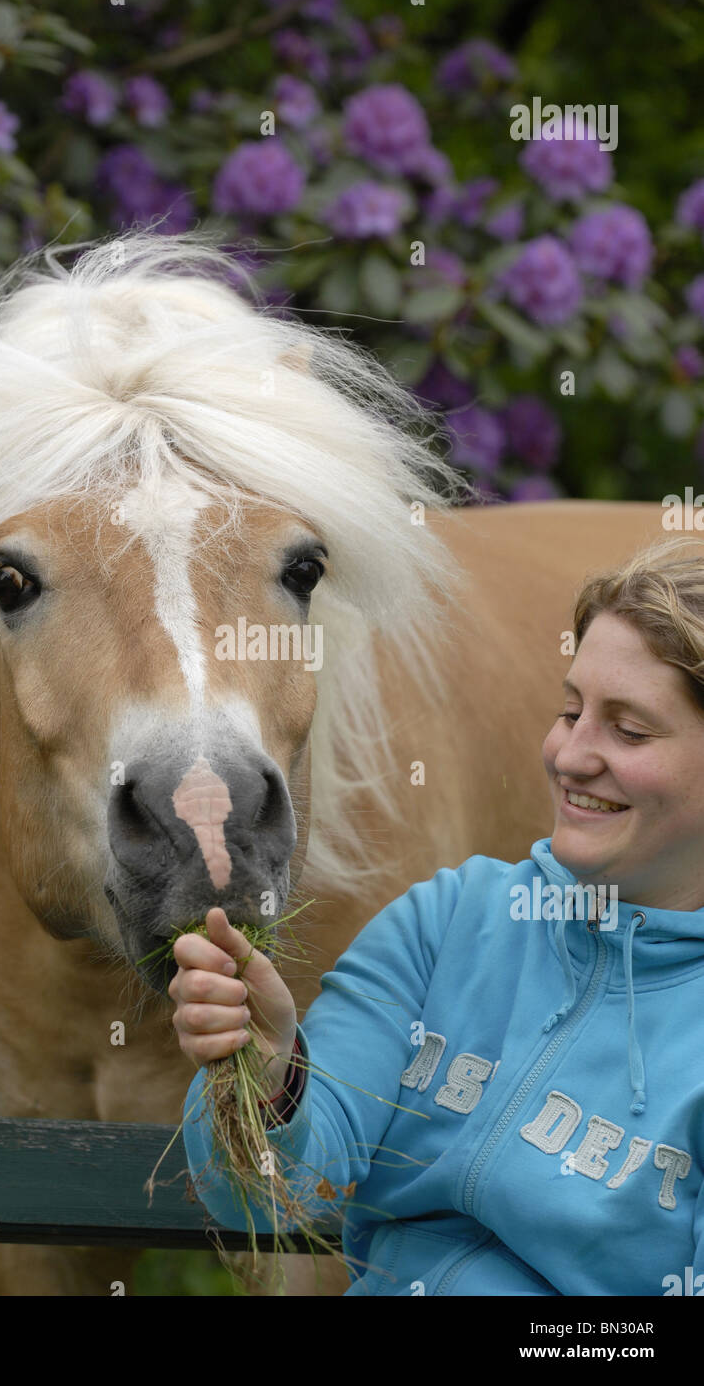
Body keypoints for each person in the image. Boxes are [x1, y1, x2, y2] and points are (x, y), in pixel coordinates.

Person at [171, 535, 704, 1296]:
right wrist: (265, 1082)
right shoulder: (449, 923)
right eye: (571, 710)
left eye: (629, 730)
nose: (570, 755)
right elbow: (264, 1196)